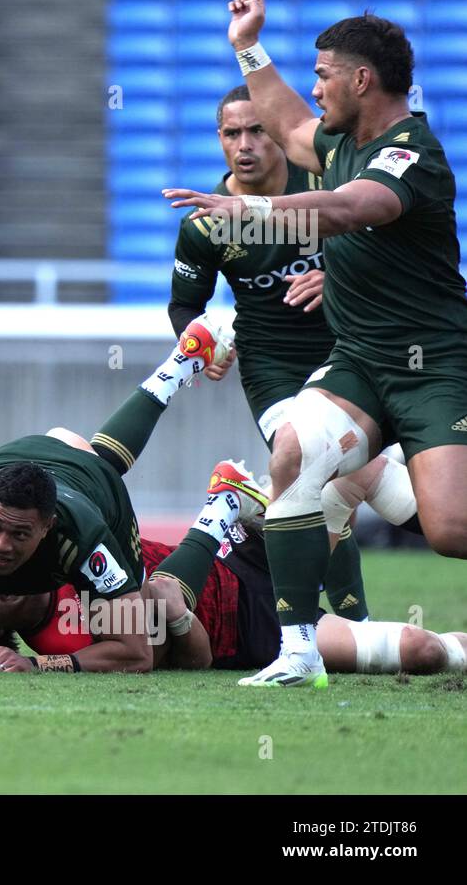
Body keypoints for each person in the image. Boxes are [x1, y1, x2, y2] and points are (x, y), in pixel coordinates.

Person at [163, 0, 467, 687]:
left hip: (432, 367)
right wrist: (248, 45)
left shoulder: (410, 152)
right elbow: (287, 117)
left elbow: (350, 207)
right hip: (358, 360)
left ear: (362, 80)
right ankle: (299, 649)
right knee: (295, 453)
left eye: (324, 71)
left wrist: (253, 209)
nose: (316, 85)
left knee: (449, 527)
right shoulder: (339, 142)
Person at [169, 85, 421, 623]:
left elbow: (394, 253)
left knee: (343, 483)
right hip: (273, 369)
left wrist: (334, 276)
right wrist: (201, 349)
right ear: (219, 139)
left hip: (353, 352)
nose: (246, 144)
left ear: (279, 134)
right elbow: (184, 308)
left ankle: (346, 629)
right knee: (317, 474)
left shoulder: (324, 187)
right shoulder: (207, 223)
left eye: (258, 129)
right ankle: (351, 629)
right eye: (232, 133)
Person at [0, 314, 265, 673]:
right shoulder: (63, 617)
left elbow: (135, 656)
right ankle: (185, 370)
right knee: (153, 599)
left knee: (65, 441)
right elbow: (151, 654)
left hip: (44, 473)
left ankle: (221, 496)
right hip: (227, 607)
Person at [0, 516, 466, 678]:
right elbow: (194, 660)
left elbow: (65, 446)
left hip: (235, 550)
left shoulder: (49, 543)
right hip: (255, 630)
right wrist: (179, 616)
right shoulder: (57, 634)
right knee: (421, 651)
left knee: (332, 458)